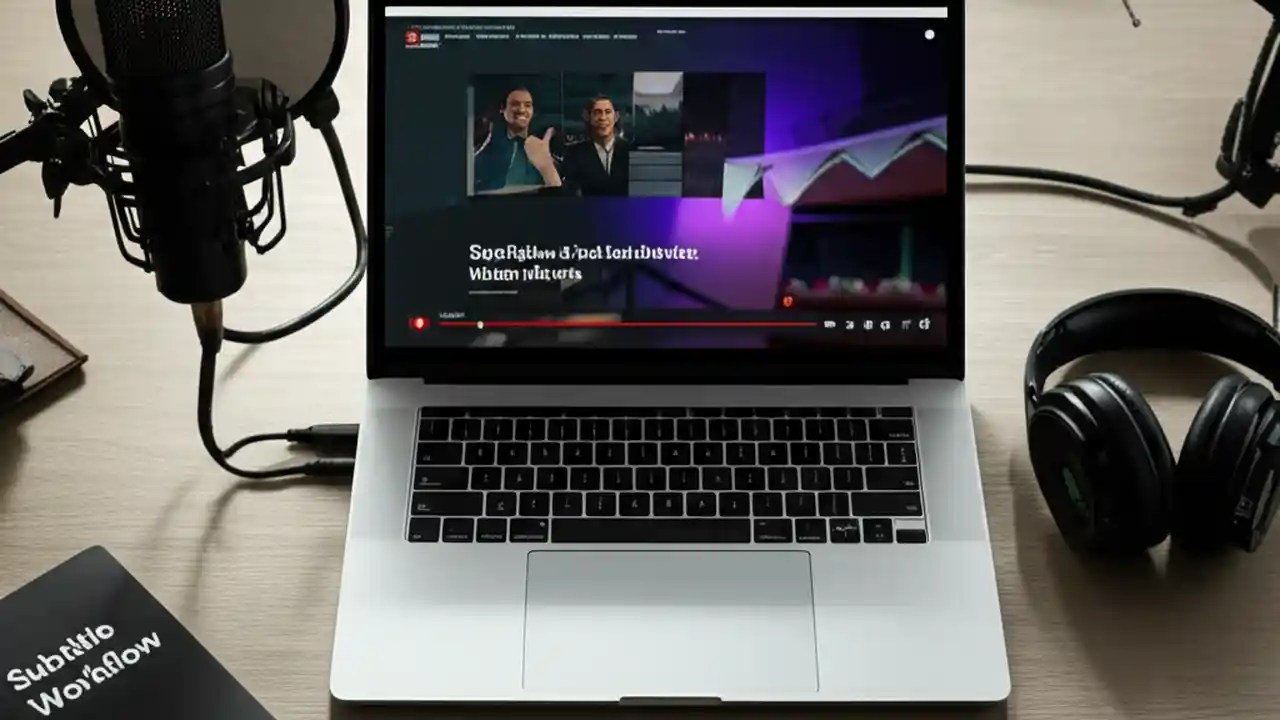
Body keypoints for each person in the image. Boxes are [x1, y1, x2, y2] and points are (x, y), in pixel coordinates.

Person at [473, 87, 562, 193]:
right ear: (502, 109)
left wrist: (546, 166)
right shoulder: (485, 144)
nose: (522, 110)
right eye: (515, 104)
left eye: (528, 105)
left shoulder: (547, 147)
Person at [561, 95, 630, 196]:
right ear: (588, 117)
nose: (602, 118)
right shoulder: (574, 153)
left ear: (616, 117)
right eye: (597, 112)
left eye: (608, 112)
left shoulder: (629, 150)